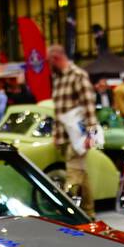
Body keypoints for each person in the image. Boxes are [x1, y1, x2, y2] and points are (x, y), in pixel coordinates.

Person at [47, 43, 98, 214]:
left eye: (49, 62)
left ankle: (68, 213)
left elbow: (89, 107)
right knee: (81, 174)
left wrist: (92, 136)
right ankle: (89, 214)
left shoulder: (78, 75)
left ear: (56, 58)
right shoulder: (58, 78)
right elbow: (59, 110)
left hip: (78, 138)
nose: (48, 66)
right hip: (64, 138)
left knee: (73, 175)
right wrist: (56, 134)